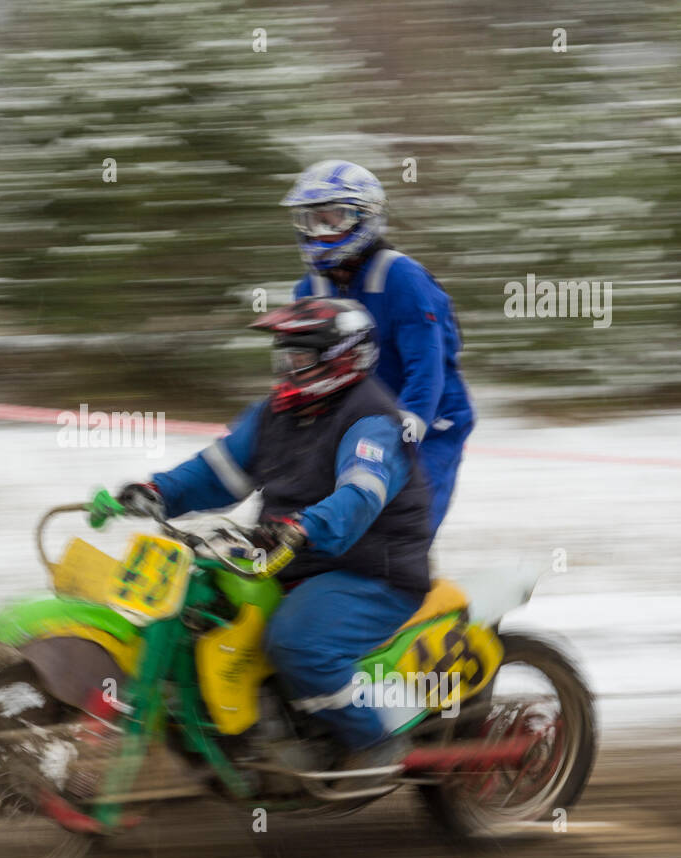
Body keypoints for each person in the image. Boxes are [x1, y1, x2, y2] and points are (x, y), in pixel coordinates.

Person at [115, 297, 432, 773]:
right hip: (288, 555)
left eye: (300, 357)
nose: (288, 367)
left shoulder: (373, 421)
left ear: (340, 357)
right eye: (283, 357)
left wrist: (304, 526)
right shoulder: (277, 413)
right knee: (199, 611)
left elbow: (361, 495)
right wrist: (158, 491)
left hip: (369, 570)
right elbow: (217, 471)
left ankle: (373, 744)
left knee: (296, 642)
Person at [283, 159, 473, 535]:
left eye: (332, 220)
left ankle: (411, 585)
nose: (319, 232)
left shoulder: (402, 278)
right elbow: (301, 370)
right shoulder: (309, 290)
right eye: (310, 221)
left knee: (403, 528)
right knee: (318, 525)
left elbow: (427, 368)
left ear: (364, 218)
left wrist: (404, 436)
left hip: (430, 421)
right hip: (354, 424)